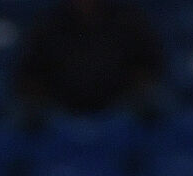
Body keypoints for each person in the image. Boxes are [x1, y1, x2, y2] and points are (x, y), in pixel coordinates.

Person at [18, 0, 164, 119]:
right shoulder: (47, 23)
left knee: (156, 105)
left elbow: (149, 64)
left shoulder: (128, 19)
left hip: (121, 110)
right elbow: (29, 71)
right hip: (59, 113)